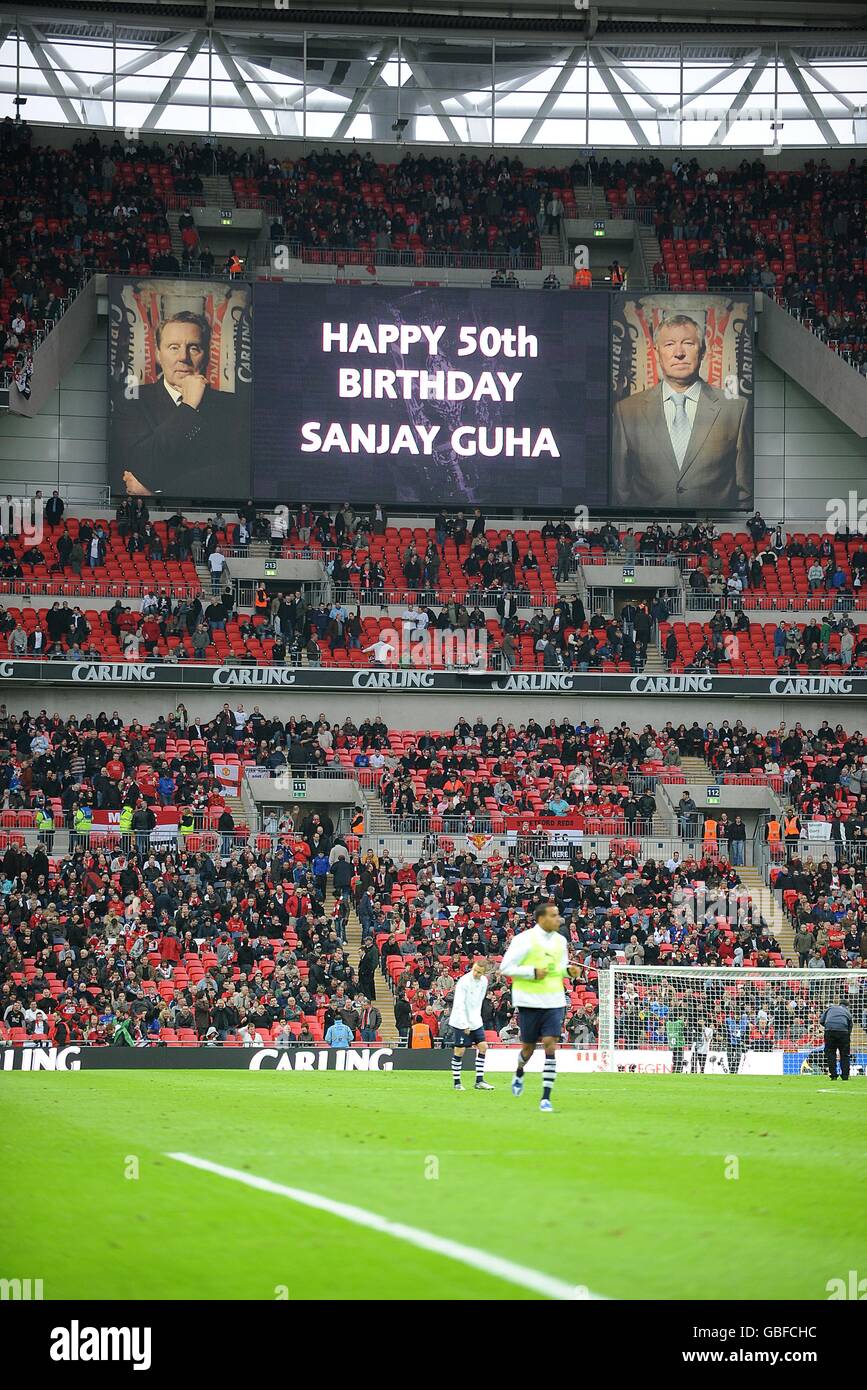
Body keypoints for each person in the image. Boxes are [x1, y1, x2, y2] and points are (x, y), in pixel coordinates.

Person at [611, 311, 752, 510]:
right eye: (669, 344)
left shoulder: (736, 408)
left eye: (688, 343)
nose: (679, 353)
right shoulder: (626, 411)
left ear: (702, 351)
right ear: (656, 352)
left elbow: (745, 487)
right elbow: (620, 487)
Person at [111, 308, 249, 497]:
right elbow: (142, 464)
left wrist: (159, 493)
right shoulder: (131, 400)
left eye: (193, 348)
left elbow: (234, 477)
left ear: (207, 355)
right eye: (174, 347)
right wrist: (189, 407)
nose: (183, 357)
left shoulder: (232, 406)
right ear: (158, 354)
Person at [499, 901, 579, 1112]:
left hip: (554, 1000)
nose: (558, 919)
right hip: (529, 1001)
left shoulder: (561, 941)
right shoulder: (523, 940)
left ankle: (546, 1098)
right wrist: (531, 972)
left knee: (550, 1044)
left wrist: (568, 972)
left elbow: (559, 968)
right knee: (529, 1048)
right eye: (553, 915)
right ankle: (519, 1071)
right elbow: (505, 967)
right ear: (541, 918)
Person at [448, 958, 494, 1092]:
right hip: (461, 1020)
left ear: (484, 973)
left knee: (483, 1046)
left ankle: (479, 1081)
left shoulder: (484, 982)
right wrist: (464, 1024)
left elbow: (478, 1002)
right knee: (460, 1050)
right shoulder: (464, 981)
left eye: (479, 972)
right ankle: (457, 1082)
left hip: (475, 1020)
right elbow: (459, 1004)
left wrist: (476, 1019)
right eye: (474, 970)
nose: (475, 973)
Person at [820, 998, 853, 1081]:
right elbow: (850, 1026)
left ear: (839, 1003)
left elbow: (822, 1021)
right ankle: (845, 1076)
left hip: (829, 1031)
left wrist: (830, 1027)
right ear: (847, 1006)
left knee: (831, 1053)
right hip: (843, 1032)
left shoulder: (830, 1008)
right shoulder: (847, 1012)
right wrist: (847, 1035)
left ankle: (833, 1075)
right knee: (845, 1054)